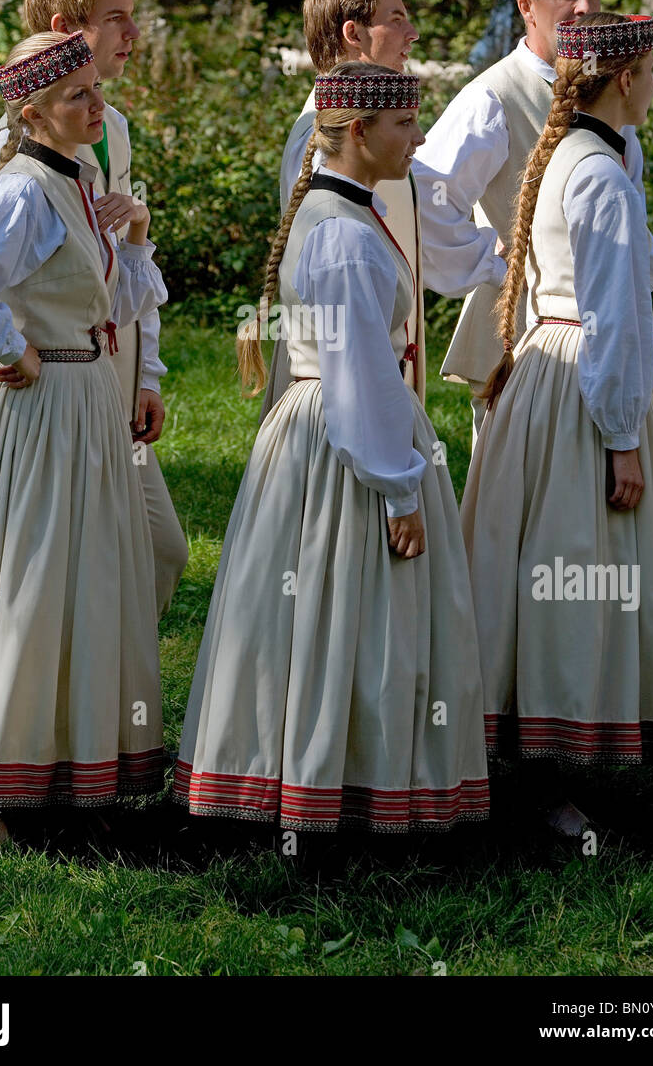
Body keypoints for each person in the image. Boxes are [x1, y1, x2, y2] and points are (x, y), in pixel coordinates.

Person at [174, 63, 489, 835]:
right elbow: (360, 376)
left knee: (312, 609)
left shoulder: (332, 211)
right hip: (347, 442)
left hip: (317, 430)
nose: (417, 139)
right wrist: (400, 487)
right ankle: (344, 787)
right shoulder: (345, 235)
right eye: (406, 126)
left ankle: (310, 774)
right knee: (349, 605)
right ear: (358, 133)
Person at [0, 32, 168, 835]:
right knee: (31, 583)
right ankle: (3, 783)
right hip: (44, 409)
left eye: (95, 88)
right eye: (78, 94)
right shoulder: (21, 192)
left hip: (86, 401)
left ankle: (56, 767)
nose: (98, 104)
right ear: (32, 110)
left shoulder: (76, 185)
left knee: (82, 578)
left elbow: (111, 305)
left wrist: (137, 233)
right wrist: (7, 343)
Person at [460, 15, 653, 833]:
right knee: (571, 569)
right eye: (650, 72)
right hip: (579, 387)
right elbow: (612, 317)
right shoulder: (596, 170)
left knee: (540, 568)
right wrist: (623, 437)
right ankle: (547, 764)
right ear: (623, 80)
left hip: (546, 374)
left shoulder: (574, 153)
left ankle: (530, 752)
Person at [0, 0, 187, 616]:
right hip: (51, 388)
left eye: (133, 14)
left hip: (109, 381)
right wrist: (9, 347)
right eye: (117, 17)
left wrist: (144, 376)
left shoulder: (112, 128)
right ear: (66, 32)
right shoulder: (10, 153)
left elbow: (120, 268)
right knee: (57, 562)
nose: (134, 32)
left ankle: (111, 702)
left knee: (153, 550)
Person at [414, 0, 653, 446]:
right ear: (527, 6)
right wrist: (491, 261)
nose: (583, 6)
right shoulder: (492, 97)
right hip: (522, 337)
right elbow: (425, 198)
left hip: (599, 333)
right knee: (516, 498)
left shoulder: (613, 94)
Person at [263, 0, 425, 420]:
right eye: (395, 20)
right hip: (338, 382)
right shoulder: (322, 140)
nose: (411, 33)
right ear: (353, 33)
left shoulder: (379, 130)